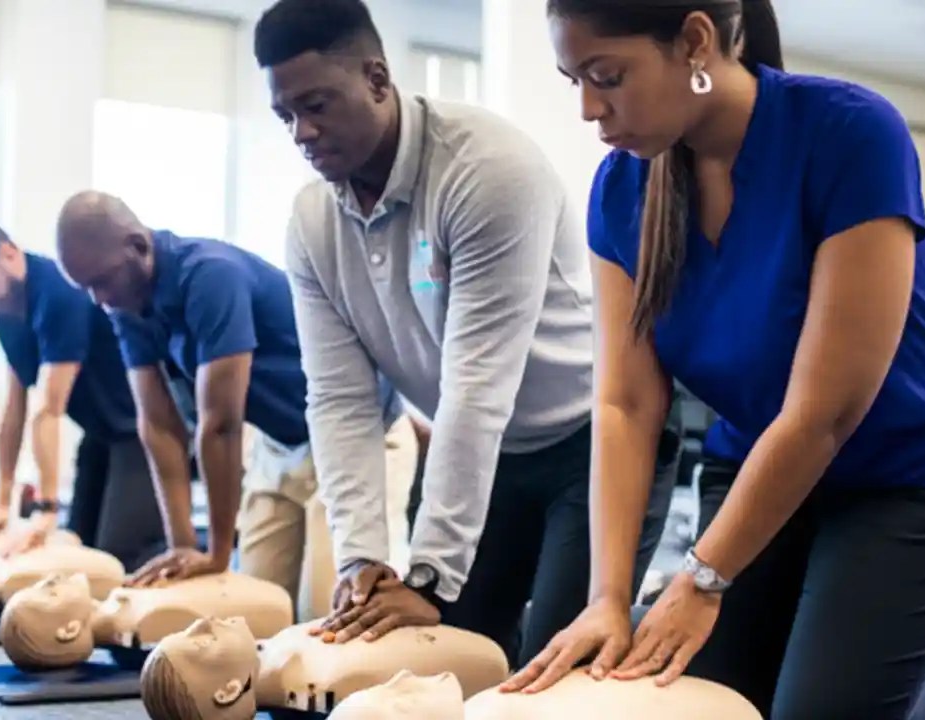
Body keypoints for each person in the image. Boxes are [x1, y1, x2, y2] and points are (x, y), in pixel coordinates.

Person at [502, 1, 925, 717]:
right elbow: (626, 403)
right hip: (757, 473)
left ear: (695, 41)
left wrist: (702, 579)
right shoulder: (621, 190)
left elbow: (822, 414)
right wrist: (608, 599)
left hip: (915, 479)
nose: (589, 108)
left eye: (607, 76)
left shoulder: (849, 133)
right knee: (683, 695)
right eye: (573, 81)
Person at [253, 0, 682, 668]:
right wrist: (363, 558)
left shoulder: (486, 170)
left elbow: (476, 387)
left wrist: (429, 574)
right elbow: (341, 401)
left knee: (553, 670)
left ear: (375, 78)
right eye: (286, 116)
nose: (302, 132)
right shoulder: (311, 223)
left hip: (590, 442)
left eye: (317, 105)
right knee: (439, 657)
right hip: (488, 456)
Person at [55, 191, 388, 615]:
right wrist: (182, 547)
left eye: (102, 281)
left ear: (138, 248)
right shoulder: (126, 305)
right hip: (280, 444)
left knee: (325, 614)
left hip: (354, 436)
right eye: (86, 288)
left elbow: (221, 424)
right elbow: (158, 426)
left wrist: (214, 551)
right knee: (250, 612)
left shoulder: (210, 275)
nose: (98, 299)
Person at [0, 221, 164, 571]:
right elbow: (13, 410)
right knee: (78, 547)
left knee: (115, 557)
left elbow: (48, 409)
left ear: (9, 254)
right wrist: (2, 504)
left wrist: (46, 509)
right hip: (102, 434)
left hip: (145, 432)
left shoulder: (58, 294)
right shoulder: (6, 309)